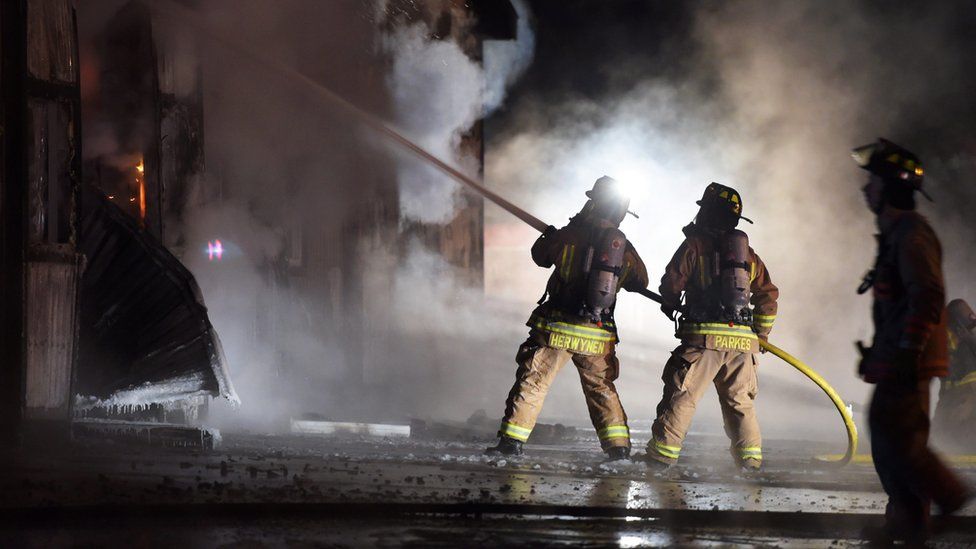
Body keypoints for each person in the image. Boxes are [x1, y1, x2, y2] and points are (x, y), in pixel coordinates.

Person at [853, 138, 970, 543]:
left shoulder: (912, 234)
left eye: (872, 181)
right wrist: (879, 354)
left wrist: (907, 351)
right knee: (887, 439)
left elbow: (928, 296)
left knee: (900, 439)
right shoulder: (896, 234)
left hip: (911, 360)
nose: (865, 189)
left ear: (890, 188)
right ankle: (907, 523)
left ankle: (949, 496)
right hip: (899, 356)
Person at [486, 176, 648, 461]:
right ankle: (618, 448)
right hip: (598, 333)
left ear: (593, 203)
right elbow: (640, 281)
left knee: (534, 381)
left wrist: (560, 232)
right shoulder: (623, 247)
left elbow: (540, 256)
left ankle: (511, 443)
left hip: (557, 326)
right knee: (602, 389)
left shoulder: (569, 235)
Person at [646, 183, 778, 471]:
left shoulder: (694, 245)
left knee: (683, 396)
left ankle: (660, 459)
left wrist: (669, 301)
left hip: (705, 339)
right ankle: (751, 462)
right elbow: (768, 295)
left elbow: (672, 282)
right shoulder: (748, 256)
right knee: (740, 403)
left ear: (705, 212)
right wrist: (761, 335)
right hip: (744, 343)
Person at [932, 299, 976, 448]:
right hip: (954, 393)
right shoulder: (946, 336)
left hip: (965, 392)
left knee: (942, 435)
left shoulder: (965, 334)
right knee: (938, 435)